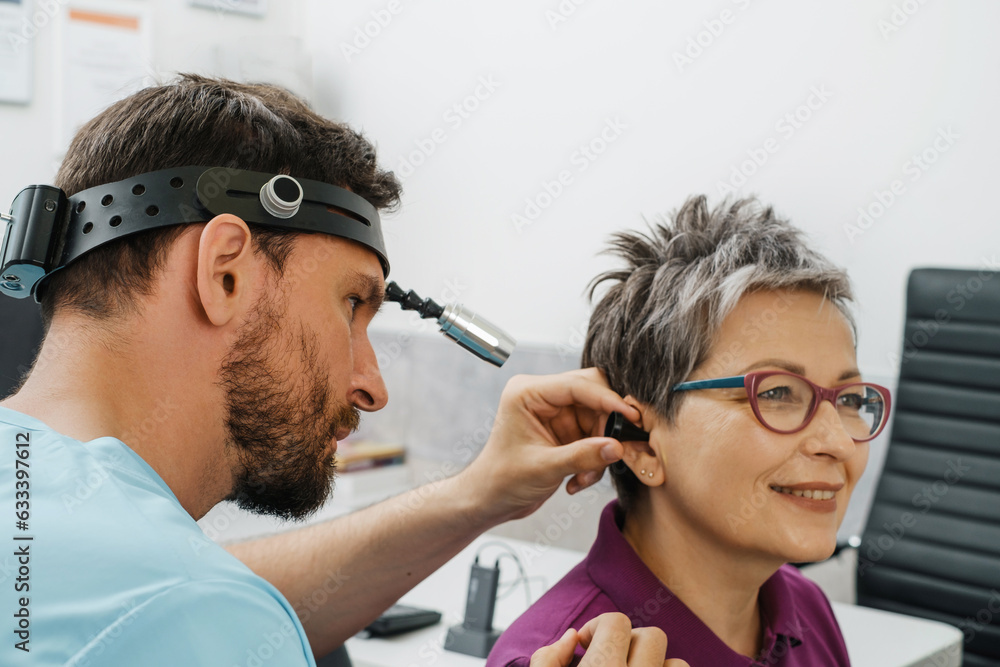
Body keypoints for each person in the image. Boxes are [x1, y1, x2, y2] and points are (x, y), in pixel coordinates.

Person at [0, 75, 678, 666]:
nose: (372, 386)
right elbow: (190, 602)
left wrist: (478, 495)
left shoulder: (79, 544)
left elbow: (185, 592)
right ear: (225, 273)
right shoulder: (185, 604)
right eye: (352, 303)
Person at [488, 196, 891, 666]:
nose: (839, 443)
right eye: (777, 393)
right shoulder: (555, 658)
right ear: (642, 445)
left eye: (849, 400)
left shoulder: (806, 608)